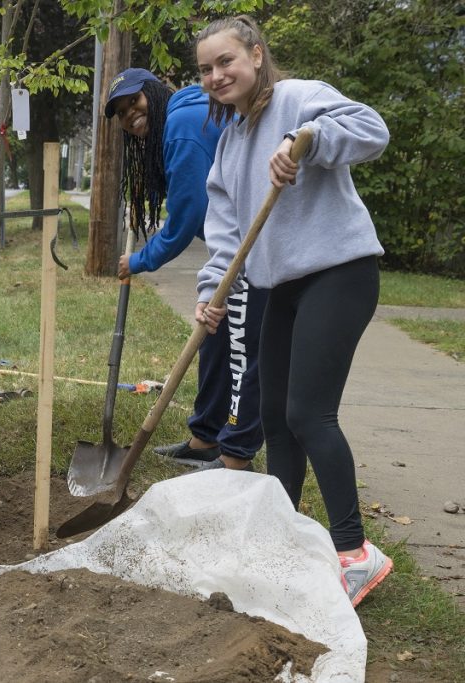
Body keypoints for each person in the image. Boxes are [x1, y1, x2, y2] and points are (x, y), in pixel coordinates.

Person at [193, 15, 393, 606]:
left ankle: (356, 554)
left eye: (226, 61)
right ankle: (283, 542)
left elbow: (370, 128)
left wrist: (304, 142)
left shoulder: (300, 98)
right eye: (205, 69)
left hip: (338, 273)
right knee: (275, 419)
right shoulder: (228, 145)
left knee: (310, 414)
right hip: (276, 286)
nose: (216, 76)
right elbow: (227, 234)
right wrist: (213, 293)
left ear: (255, 55)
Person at [107, 67, 266, 473]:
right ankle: (204, 439)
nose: (130, 114)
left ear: (156, 94)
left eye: (135, 101)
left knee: (239, 350)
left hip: (256, 246)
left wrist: (139, 260)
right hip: (234, 247)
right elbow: (188, 190)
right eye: (121, 112)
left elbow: (187, 216)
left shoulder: (181, 124)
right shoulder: (178, 123)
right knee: (213, 338)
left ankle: (234, 456)